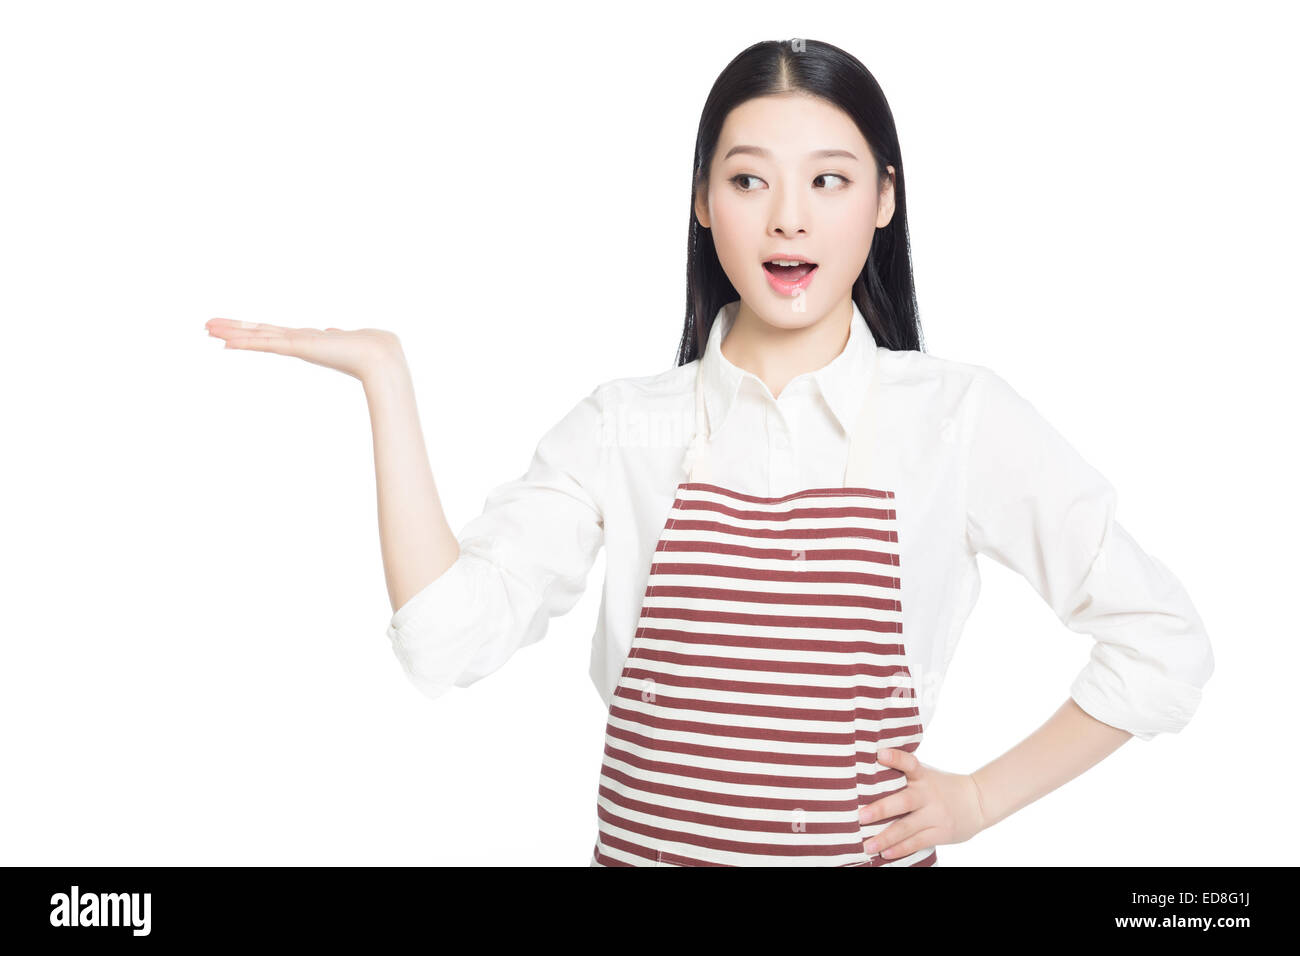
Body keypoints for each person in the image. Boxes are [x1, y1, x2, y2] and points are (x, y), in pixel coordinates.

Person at [204, 38, 1214, 867]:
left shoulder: (952, 416)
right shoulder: (623, 425)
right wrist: (388, 378)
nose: (788, 215)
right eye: (748, 179)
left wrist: (979, 798)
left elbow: (1161, 640)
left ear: (883, 200)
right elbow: (443, 639)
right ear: (701, 201)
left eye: (829, 178)